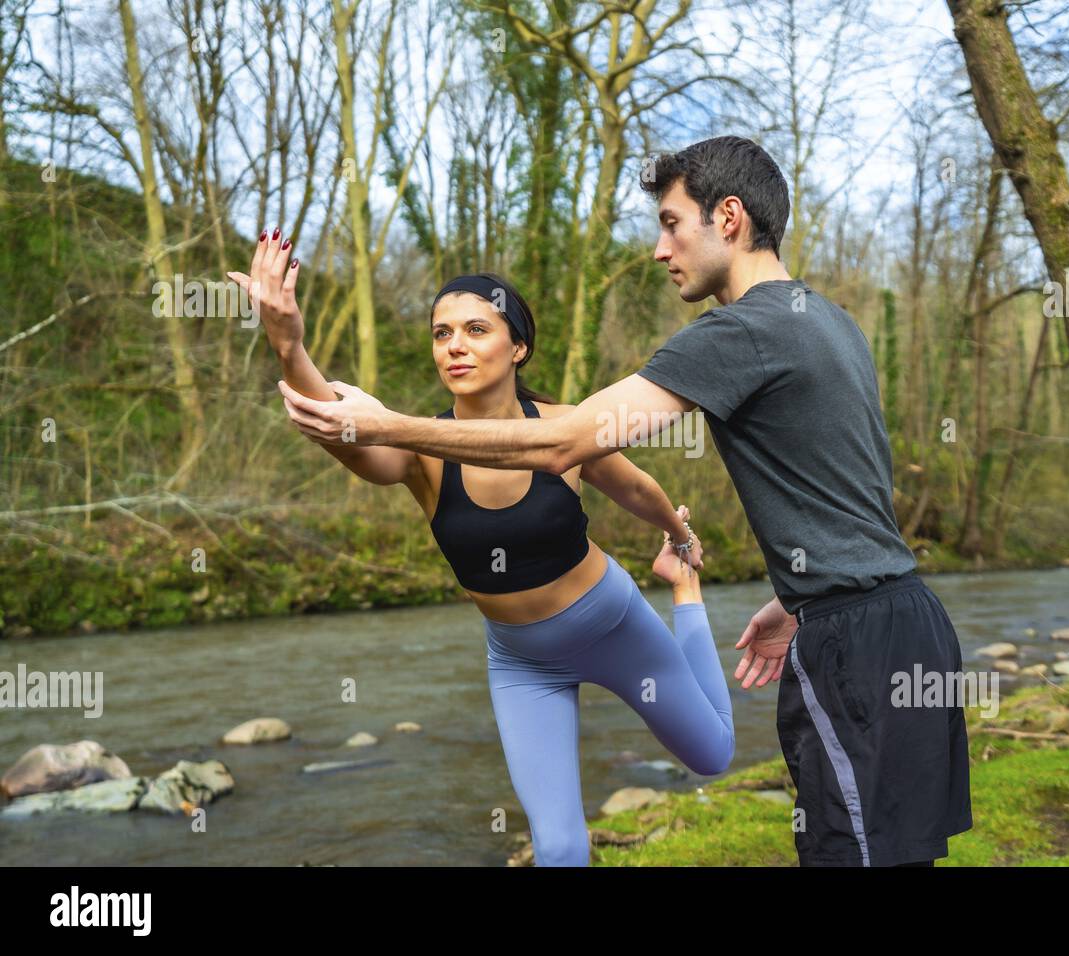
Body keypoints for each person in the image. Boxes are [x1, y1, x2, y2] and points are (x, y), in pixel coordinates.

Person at [276, 135, 974, 868]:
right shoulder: (829, 320)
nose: (658, 248)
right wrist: (802, 594)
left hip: (851, 646)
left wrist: (383, 420)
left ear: (728, 218)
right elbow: (856, 487)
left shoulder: (741, 330)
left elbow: (565, 443)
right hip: (904, 621)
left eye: (671, 223)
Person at [227, 242, 734, 867]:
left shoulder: (563, 428)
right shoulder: (419, 450)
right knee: (559, 847)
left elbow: (634, 487)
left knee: (713, 756)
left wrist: (680, 543)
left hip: (614, 627)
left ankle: (686, 598)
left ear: (517, 347)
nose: (454, 346)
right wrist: (287, 344)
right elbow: (342, 425)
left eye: (475, 329)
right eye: (442, 333)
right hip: (524, 665)